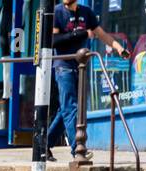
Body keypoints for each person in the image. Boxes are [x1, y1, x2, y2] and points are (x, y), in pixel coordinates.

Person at [49, 0, 127, 159]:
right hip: (63, 66)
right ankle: (77, 149)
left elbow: (101, 34)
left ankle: (44, 144)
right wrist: (82, 34)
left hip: (80, 67)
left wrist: (119, 48)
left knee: (65, 109)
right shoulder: (57, 12)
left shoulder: (86, 12)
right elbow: (54, 40)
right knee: (71, 107)